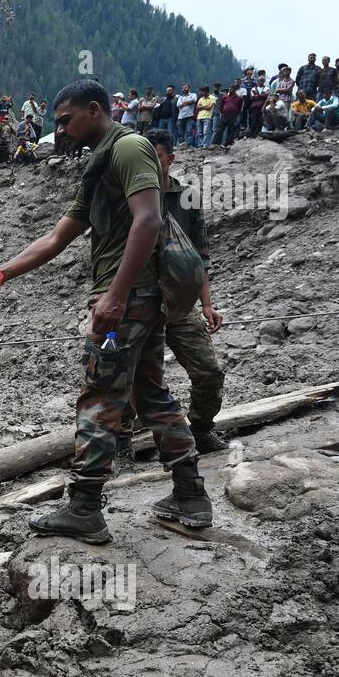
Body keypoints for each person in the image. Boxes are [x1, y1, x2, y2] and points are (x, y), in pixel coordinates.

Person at [0, 79, 212, 544]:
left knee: (99, 393)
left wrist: (115, 296)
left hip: (128, 303)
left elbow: (150, 219)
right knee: (150, 393)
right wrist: (2, 273)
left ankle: (84, 508)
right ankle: (190, 495)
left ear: (95, 110)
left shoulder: (130, 148)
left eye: (65, 120)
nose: (59, 130)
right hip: (138, 303)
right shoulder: (99, 166)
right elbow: (56, 239)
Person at [118, 130, 228, 457]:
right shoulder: (127, 196)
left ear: (170, 159)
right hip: (136, 301)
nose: (149, 165)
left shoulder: (186, 200)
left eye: (156, 157)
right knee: (123, 374)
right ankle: (120, 445)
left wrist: (207, 304)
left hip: (179, 304)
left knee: (209, 372)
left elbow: (199, 256)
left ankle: (201, 430)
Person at [218, 83, 244, 147]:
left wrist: (235, 112)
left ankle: (226, 144)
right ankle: (217, 143)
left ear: (235, 90)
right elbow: (221, 106)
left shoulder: (239, 98)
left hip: (233, 116)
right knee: (220, 129)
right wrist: (223, 111)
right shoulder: (225, 97)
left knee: (231, 130)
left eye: (232, 88)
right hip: (224, 115)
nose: (230, 89)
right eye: (230, 88)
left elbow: (240, 107)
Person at [247, 71, 269, 137]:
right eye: (259, 81)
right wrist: (261, 95)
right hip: (254, 107)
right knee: (253, 119)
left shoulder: (266, 88)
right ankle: (252, 133)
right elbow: (252, 97)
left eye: (262, 81)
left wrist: (257, 95)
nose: (261, 82)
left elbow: (266, 96)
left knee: (261, 120)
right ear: (257, 81)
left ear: (264, 81)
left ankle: (258, 133)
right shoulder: (253, 88)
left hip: (262, 107)